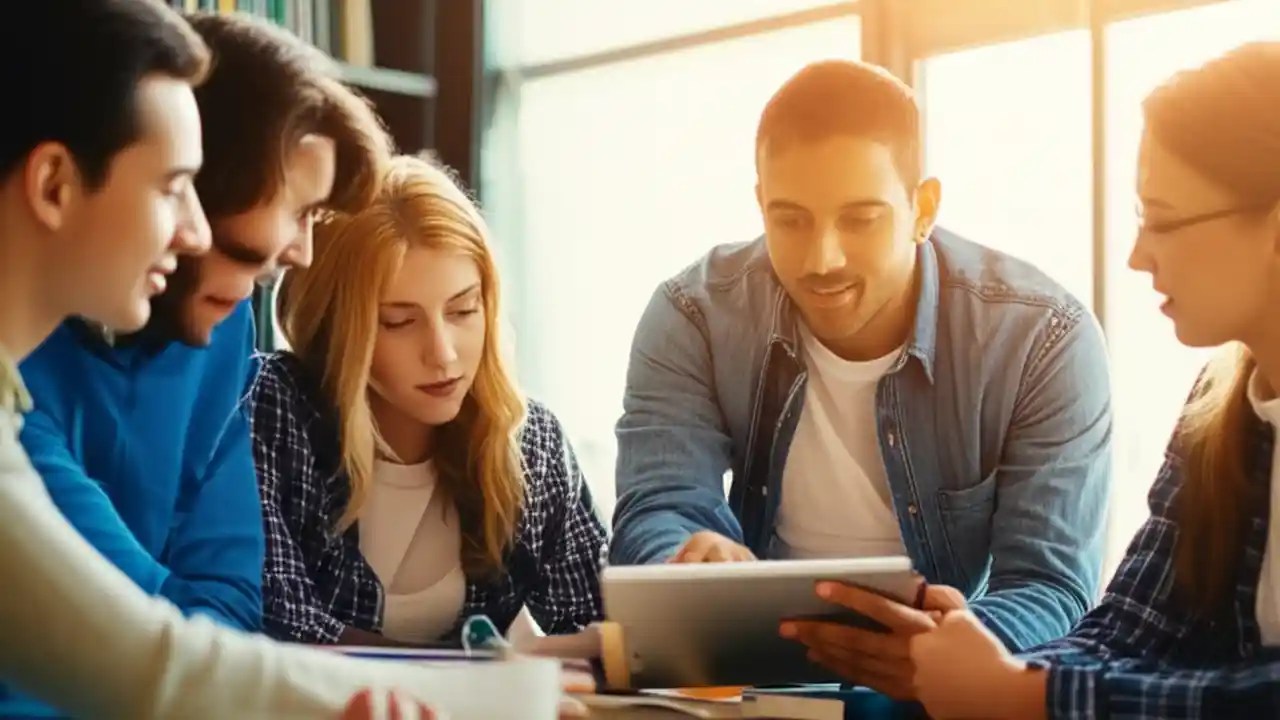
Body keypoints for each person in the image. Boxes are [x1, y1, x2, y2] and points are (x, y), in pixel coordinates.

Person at [0, 2, 537, 718]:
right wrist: (482, 694)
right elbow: (144, 656)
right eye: (171, 187)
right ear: (54, 186)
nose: (192, 230)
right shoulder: (27, 383)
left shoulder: (224, 344)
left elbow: (223, 610)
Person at [610, 59, 1113, 700]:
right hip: (754, 682)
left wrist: (942, 654)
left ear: (922, 208)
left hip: (938, 688)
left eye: (861, 219)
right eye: (790, 220)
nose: (824, 259)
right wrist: (684, 560)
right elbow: (659, 505)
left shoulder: (1042, 338)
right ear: (760, 202)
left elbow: (1051, 582)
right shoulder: (694, 315)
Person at [910, 41, 1280, 720]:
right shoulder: (1220, 406)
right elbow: (1133, 628)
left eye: (1163, 220)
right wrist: (976, 660)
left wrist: (1025, 694)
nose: (1138, 256)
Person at [249, 154, 607, 647]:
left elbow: (598, 625)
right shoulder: (274, 411)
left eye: (463, 310)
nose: (443, 354)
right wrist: (477, 674)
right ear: (337, 329)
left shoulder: (530, 443)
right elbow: (279, 626)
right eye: (399, 321)